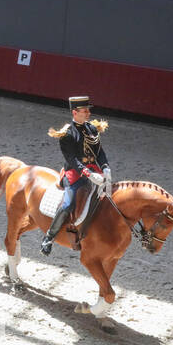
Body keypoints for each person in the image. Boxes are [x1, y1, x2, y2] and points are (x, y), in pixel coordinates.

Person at [41, 96, 111, 255]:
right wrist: (87, 173)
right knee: (68, 204)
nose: (88, 113)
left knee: (109, 197)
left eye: (88, 110)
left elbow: (99, 152)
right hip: (75, 175)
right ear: (75, 112)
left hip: (95, 172)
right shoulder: (67, 133)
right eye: (85, 111)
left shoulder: (92, 129)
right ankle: (49, 237)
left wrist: (105, 167)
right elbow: (71, 159)